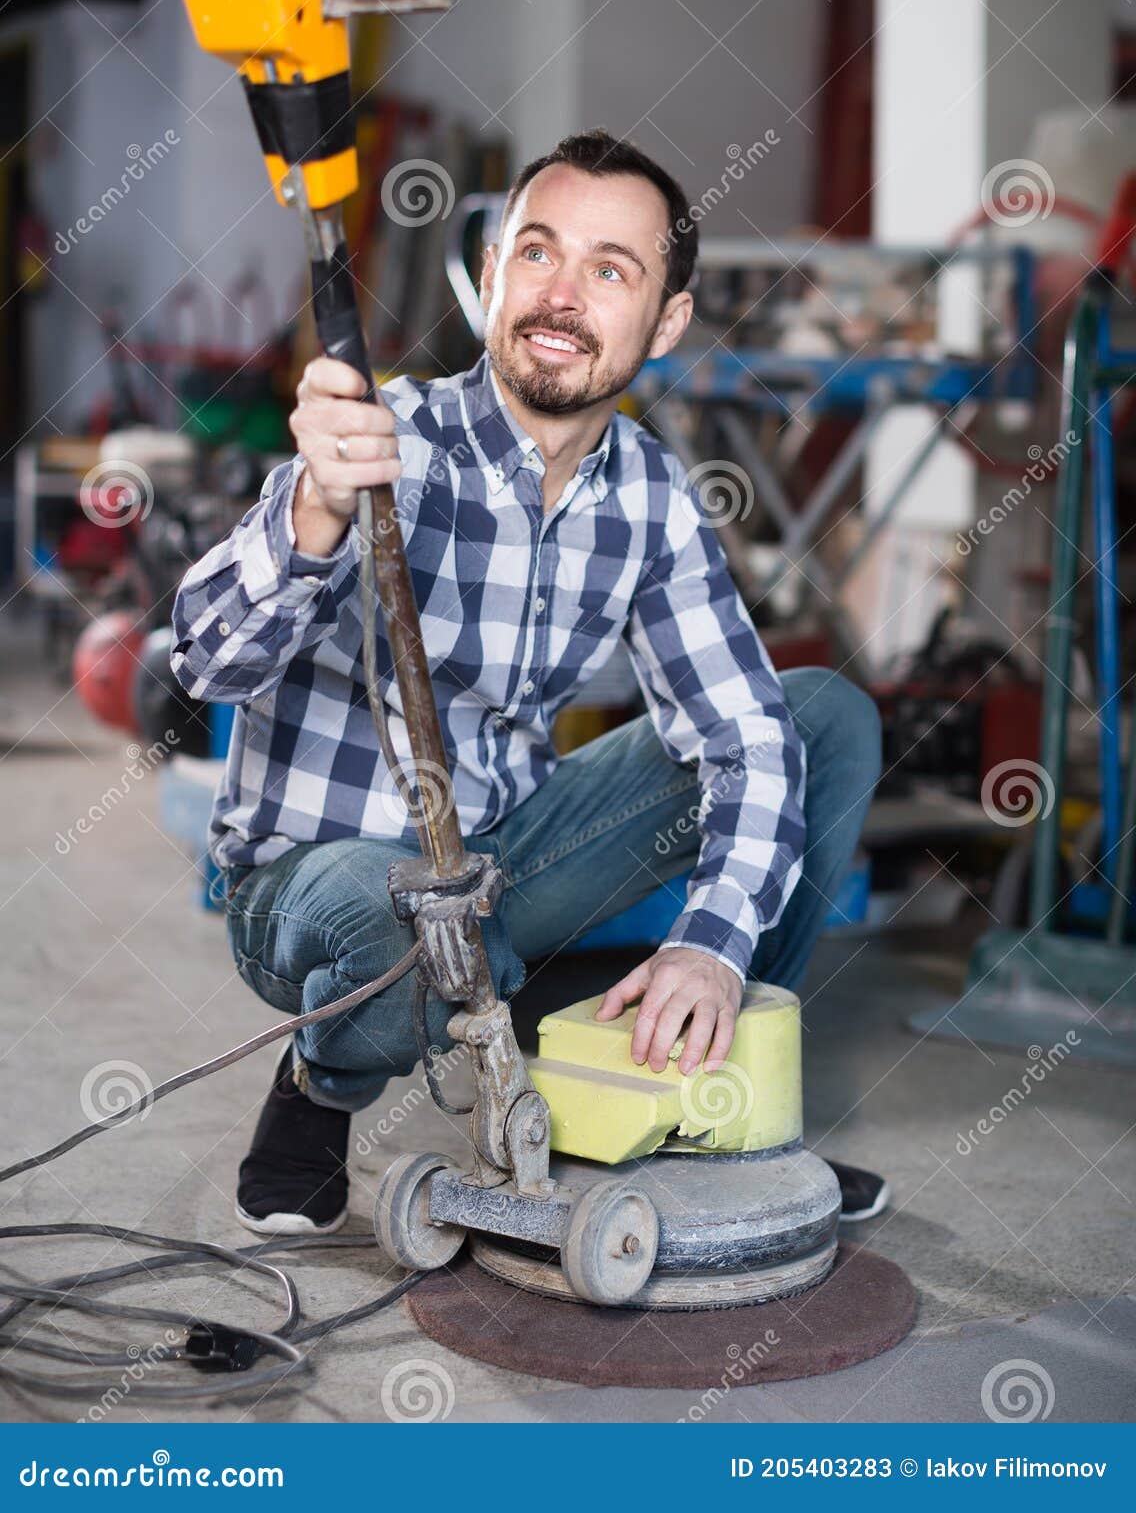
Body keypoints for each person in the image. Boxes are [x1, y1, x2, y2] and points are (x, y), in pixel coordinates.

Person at [171, 128, 887, 1236]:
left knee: (816, 718)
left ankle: (714, 1083)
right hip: (315, 884)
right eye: (537, 253)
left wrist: (709, 947)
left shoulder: (649, 494)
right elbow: (202, 660)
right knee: (405, 903)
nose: (561, 294)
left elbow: (742, 734)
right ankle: (324, 1077)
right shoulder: (385, 437)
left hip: (508, 855)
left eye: (611, 270)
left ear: (666, 320)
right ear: (493, 271)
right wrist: (311, 510)